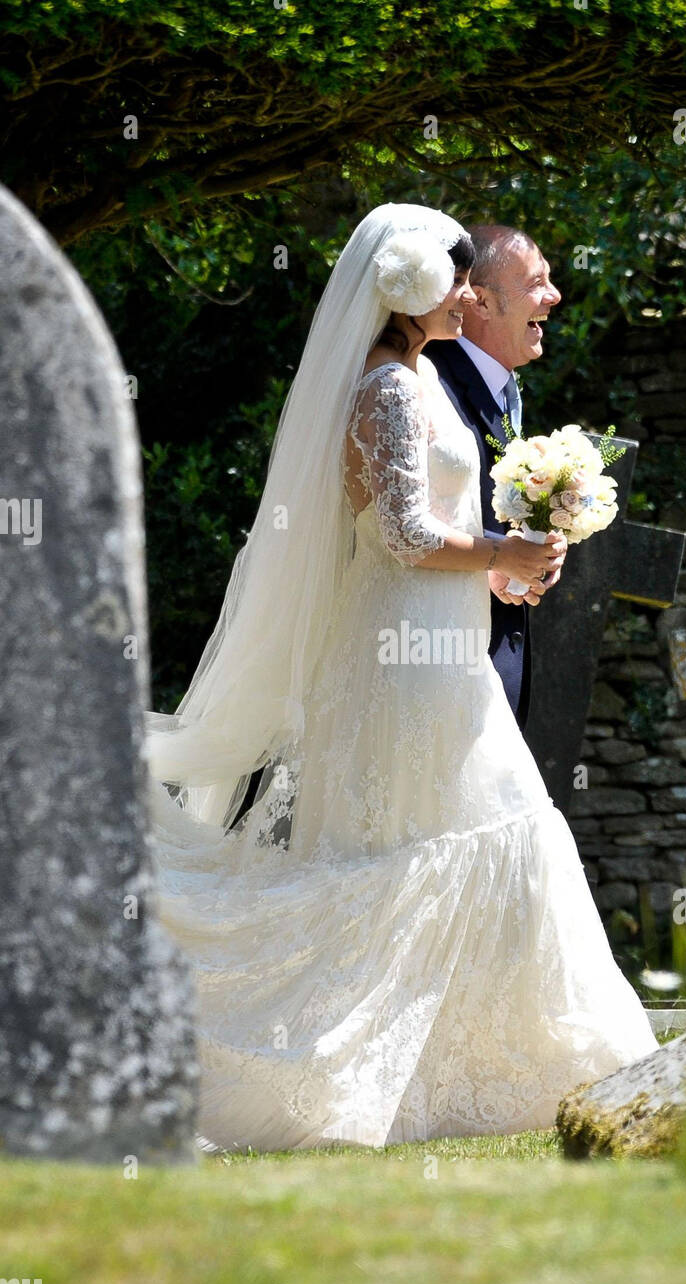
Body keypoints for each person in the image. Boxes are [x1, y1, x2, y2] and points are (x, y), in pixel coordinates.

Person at [145, 203, 658, 1153]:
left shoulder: (414, 376)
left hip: (440, 643)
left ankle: (503, 1067)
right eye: (459, 281)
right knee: (447, 839)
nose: (469, 295)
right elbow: (403, 534)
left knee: (480, 835)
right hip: (402, 659)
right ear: (416, 290)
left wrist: (502, 568)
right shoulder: (386, 387)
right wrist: (498, 547)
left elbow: (432, 530)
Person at [424, 225, 561, 730]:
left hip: (493, 659)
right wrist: (497, 559)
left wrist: (535, 546)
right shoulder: (423, 380)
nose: (554, 295)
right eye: (535, 282)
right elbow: (390, 528)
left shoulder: (504, 389)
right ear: (480, 302)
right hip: (438, 662)